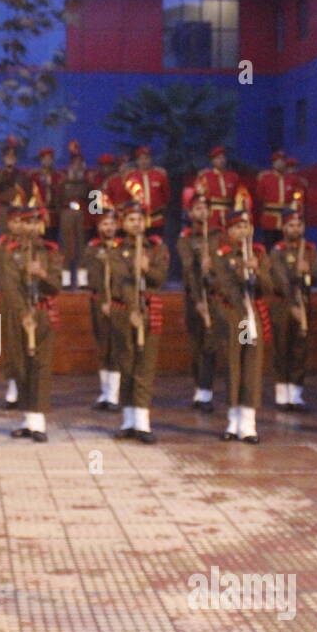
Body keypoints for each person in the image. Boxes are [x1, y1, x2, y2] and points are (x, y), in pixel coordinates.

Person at [0, 204, 61, 442]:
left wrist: (42, 274)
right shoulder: (11, 252)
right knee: (20, 365)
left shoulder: (51, 252)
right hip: (19, 314)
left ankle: (38, 421)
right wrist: (22, 313)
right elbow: (10, 286)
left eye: (35, 222)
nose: (30, 227)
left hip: (42, 313)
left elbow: (56, 286)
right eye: (26, 222)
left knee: (40, 367)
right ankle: (27, 418)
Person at [211, 209, 274, 443]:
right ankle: (232, 421)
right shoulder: (222, 255)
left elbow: (268, 287)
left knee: (251, 366)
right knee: (232, 366)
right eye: (237, 227)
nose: (242, 231)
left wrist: (256, 270)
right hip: (232, 314)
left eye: (246, 227)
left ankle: (249, 424)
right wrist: (241, 269)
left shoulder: (258, 253)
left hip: (251, 316)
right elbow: (222, 285)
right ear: (229, 231)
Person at [108, 199, 168, 443]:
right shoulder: (116, 249)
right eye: (131, 219)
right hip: (125, 312)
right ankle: (128, 420)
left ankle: (143, 422)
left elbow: (159, 278)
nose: (136, 224)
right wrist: (132, 309)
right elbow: (119, 282)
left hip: (149, 309)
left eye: (139, 219)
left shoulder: (156, 249)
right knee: (126, 364)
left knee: (145, 366)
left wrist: (147, 269)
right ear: (123, 223)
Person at [269, 202, 317, 412]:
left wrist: (307, 272)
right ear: (284, 228)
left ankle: (296, 393)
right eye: (291, 225)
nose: (295, 229)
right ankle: (282, 394)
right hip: (283, 305)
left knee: (300, 348)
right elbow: (280, 280)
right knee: (282, 347)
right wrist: (292, 305)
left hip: (304, 303)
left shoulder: (309, 250)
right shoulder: (277, 251)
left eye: (299, 225)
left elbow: (316, 276)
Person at [176, 189, 221, 413]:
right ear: (190, 212)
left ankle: (206, 391)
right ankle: (198, 387)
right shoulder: (186, 238)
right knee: (195, 344)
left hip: (213, 296)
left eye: (205, 208)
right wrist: (197, 299)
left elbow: (223, 267)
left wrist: (212, 269)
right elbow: (187, 268)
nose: (201, 212)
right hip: (195, 297)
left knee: (210, 343)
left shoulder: (217, 236)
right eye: (197, 209)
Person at [82, 206, 122, 411]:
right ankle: (104, 392)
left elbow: (122, 278)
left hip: (118, 303)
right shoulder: (92, 248)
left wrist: (112, 299)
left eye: (112, 223)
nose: (109, 227)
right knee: (103, 345)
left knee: (116, 346)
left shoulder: (122, 248)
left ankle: (114, 394)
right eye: (105, 224)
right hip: (99, 302)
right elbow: (94, 277)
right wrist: (103, 300)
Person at [0, 202, 29, 410]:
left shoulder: (33, 246)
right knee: (12, 344)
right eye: (15, 221)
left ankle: (29, 387)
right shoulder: (2, 246)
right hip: (9, 301)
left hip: (31, 300)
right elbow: (3, 276)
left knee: (30, 346)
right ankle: (13, 388)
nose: (19, 226)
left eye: (22, 222)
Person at [56, 140, 93, 285]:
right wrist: (63, 215)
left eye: (80, 164)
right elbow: (57, 202)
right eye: (74, 164)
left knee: (82, 247)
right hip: (67, 216)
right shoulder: (63, 184)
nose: (77, 167)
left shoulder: (89, 184)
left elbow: (94, 205)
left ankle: (82, 279)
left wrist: (91, 220)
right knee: (67, 246)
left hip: (83, 218)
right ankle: (65, 280)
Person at [194, 146, 240, 228]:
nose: (221, 160)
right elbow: (199, 197)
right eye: (218, 158)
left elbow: (239, 196)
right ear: (212, 161)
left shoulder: (233, 177)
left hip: (229, 215)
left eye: (223, 158)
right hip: (211, 215)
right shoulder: (205, 176)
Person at [256, 151, 294, 248]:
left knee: (286, 247)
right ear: (273, 163)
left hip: (286, 220)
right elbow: (259, 197)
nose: (280, 163)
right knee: (269, 246)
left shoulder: (291, 179)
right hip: (270, 220)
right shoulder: (266, 178)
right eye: (277, 161)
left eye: (282, 161)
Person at [125, 146, 170, 225]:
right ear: (137, 161)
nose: (144, 161)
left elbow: (167, 195)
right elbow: (127, 197)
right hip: (137, 219)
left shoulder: (160, 174)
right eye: (141, 159)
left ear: (151, 159)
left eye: (146, 158)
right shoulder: (131, 176)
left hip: (157, 218)